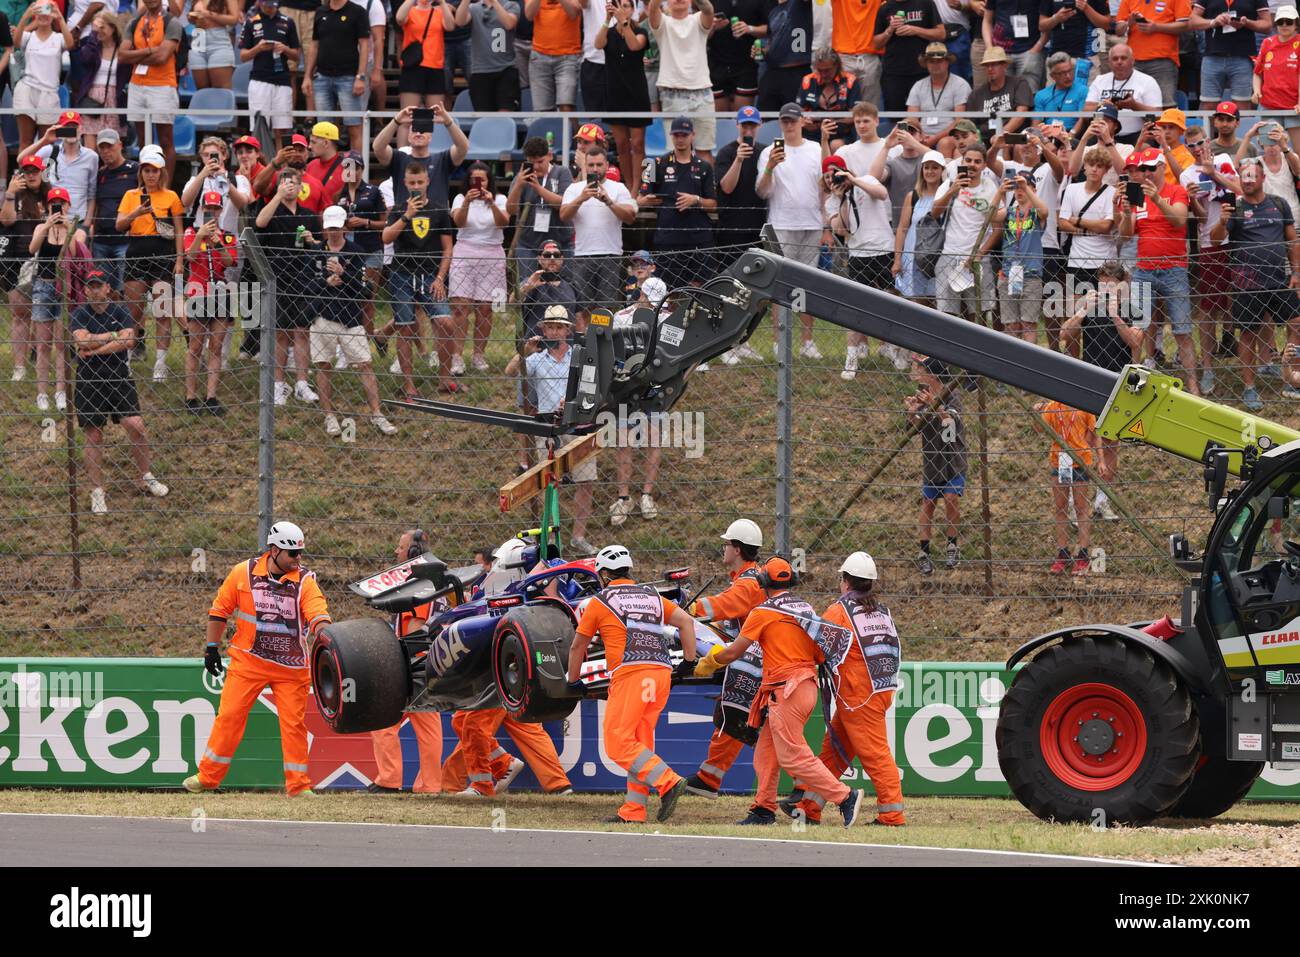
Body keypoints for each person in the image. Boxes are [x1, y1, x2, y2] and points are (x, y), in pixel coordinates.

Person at [696, 556, 864, 827]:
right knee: (766, 753)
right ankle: (763, 809)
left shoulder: (763, 611)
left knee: (791, 755)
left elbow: (735, 651)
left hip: (787, 690)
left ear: (763, 582)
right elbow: (819, 650)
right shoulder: (804, 608)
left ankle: (845, 796)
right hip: (803, 687)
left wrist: (710, 661)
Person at [185, 521, 332, 797]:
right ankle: (208, 778)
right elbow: (219, 611)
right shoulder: (243, 573)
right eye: (293, 554)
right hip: (248, 661)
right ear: (274, 550)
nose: (298, 559)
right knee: (229, 717)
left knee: (293, 725)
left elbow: (317, 613)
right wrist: (211, 648)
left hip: (291, 667)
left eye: (301, 553)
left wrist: (326, 634)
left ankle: (298, 786)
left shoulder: (305, 581)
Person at [568, 544, 696, 822]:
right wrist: (688, 662)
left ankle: (668, 781)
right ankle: (633, 811)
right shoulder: (652, 596)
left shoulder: (601, 601)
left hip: (631, 674)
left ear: (603, 575)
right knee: (639, 744)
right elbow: (686, 622)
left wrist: (573, 681)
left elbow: (578, 646)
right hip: (661, 674)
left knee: (616, 742)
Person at [788, 551, 905, 826]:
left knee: (876, 755)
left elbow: (819, 650)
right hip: (876, 692)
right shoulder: (882, 612)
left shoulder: (840, 611)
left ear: (846, 581)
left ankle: (892, 814)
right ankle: (809, 809)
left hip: (857, 697)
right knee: (834, 752)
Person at [69, 270, 168, 515]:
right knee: (94, 435)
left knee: (136, 425)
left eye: (97, 285)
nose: (93, 290)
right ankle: (97, 490)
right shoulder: (79, 313)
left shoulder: (120, 310)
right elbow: (82, 341)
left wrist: (95, 348)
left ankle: (144, 476)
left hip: (118, 375)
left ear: (107, 288)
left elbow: (129, 341)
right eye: (89, 286)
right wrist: (112, 337)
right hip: (89, 379)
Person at [682, 518, 766, 799]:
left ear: (738, 549)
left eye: (727, 544)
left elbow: (724, 605)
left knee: (756, 725)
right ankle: (708, 779)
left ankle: (809, 789)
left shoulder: (748, 583)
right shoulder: (750, 578)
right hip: (756, 661)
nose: (723, 548)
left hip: (762, 663)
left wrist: (687, 610)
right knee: (733, 715)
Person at [504, 307, 597, 553]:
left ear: (567, 329)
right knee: (549, 483)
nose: (555, 331)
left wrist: (573, 400)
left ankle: (578, 536)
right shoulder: (535, 359)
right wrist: (522, 353)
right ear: (543, 330)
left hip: (578, 423)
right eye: (550, 327)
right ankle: (553, 538)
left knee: (586, 480)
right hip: (548, 427)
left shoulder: (580, 355)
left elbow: (592, 387)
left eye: (559, 326)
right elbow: (509, 372)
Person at [1212, 158, 1300, 412]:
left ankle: (1291, 377)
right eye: (1244, 176)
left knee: (1296, 323)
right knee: (1248, 334)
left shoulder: (1279, 204)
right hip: (1246, 283)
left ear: (1262, 179)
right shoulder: (1235, 208)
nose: (1248, 180)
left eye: (1253, 176)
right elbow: (1216, 241)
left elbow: (1292, 241)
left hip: (1278, 279)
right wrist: (1221, 221)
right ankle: (1249, 388)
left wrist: (1296, 273)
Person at [309, 205, 399, 434]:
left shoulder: (356, 252)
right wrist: (326, 283)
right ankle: (329, 416)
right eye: (330, 227)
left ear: (345, 227)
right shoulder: (315, 252)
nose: (334, 231)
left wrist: (343, 273)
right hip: (323, 316)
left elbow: (365, 290)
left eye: (337, 227)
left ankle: (376, 413)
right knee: (323, 365)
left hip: (350, 317)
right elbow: (305, 286)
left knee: (365, 365)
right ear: (325, 228)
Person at [1117, 147, 1200, 395]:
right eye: (1143, 169)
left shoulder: (1176, 191)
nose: (1146, 173)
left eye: (1151, 168)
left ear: (1163, 167)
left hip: (1174, 269)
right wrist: (1127, 212)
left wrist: (1156, 198)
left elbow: (1178, 220)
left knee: (1182, 330)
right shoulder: (1138, 195)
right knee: (1139, 329)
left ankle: (1193, 385)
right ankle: (1136, 383)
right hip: (1144, 268)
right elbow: (1124, 235)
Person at [757, 102, 827, 358]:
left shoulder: (815, 149)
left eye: (792, 120)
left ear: (801, 122)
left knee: (807, 285)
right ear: (780, 123)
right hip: (782, 225)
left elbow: (823, 189)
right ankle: (780, 341)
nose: (788, 125)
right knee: (781, 284)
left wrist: (826, 223)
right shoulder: (768, 153)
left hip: (812, 224)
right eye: (784, 121)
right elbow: (763, 191)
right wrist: (770, 168)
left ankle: (807, 341)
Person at [254, 165, 325, 405]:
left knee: (302, 332)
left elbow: (319, 247)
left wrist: (311, 240)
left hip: (303, 279)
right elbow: (260, 223)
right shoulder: (272, 210)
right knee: (281, 334)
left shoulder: (308, 215)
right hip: (279, 279)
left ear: (301, 185)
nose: (290, 185)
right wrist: (276, 196)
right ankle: (278, 384)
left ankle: (302, 383)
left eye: (294, 182)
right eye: (285, 182)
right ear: (279, 185)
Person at [383, 162, 454, 396]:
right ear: (405, 183)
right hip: (401, 275)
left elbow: (447, 249)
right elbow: (386, 238)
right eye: (411, 183)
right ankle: (409, 386)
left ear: (427, 182)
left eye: (420, 182)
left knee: (445, 323)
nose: (416, 186)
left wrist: (440, 278)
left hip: (430, 276)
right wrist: (407, 216)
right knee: (405, 328)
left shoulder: (440, 211)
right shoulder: (398, 209)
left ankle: (444, 378)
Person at [115, 145, 184, 385]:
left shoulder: (171, 196)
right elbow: (119, 225)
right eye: (146, 170)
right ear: (141, 172)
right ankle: (125, 361)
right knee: (133, 312)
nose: (151, 175)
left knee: (162, 311)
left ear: (161, 172)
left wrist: (179, 259)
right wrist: (136, 212)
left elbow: (178, 230)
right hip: (137, 253)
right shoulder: (130, 196)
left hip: (162, 255)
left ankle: (160, 363)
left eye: (155, 170)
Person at [825, 153, 892, 379]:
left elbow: (882, 194)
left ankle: (896, 349)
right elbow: (842, 230)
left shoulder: (867, 181)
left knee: (892, 302)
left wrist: (853, 181)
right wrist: (842, 198)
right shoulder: (831, 201)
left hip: (884, 249)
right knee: (855, 306)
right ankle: (851, 358)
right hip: (858, 254)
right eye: (826, 177)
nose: (831, 179)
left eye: (835, 174)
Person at [29, 186, 90, 415]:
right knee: (43, 344)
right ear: (47, 206)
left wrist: (67, 227)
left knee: (62, 344)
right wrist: (46, 226)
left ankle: (61, 390)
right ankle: (42, 392)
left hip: (66, 290)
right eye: (53, 204)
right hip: (43, 286)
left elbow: (75, 252)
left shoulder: (77, 231)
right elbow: (32, 248)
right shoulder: (40, 227)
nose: (58, 207)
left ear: (68, 206)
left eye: (61, 203)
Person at [559, 147, 637, 324]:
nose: (595, 169)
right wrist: (581, 198)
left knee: (606, 309)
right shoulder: (574, 189)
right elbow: (563, 216)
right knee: (583, 308)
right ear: (585, 166)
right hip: (582, 254)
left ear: (607, 165)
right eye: (591, 165)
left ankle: (603, 347)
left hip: (610, 253)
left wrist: (608, 201)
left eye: (599, 164)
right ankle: (587, 348)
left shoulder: (618, 188)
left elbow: (630, 217)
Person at [638, 117, 717, 292]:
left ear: (692, 136)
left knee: (701, 290)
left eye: (684, 135)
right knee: (669, 292)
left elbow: (713, 204)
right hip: (668, 239)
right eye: (677, 135)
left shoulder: (704, 166)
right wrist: (648, 199)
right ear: (671, 136)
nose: (680, 139)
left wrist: (695, 200)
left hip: (698, 239)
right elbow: (640, 199)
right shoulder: (654, 164)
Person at [905, 354, 966, 574]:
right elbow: (913, 429)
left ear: (931, 372)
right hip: (932, 461)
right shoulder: (921, 394)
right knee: (928, 503)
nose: (914, 370)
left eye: (918, 367)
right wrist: (912, 414)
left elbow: (951, 423)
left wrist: (934, 406)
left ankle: (952, 546)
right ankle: (924, 552)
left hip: (953, 460)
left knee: (951, 499)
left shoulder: (951, 394)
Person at [449, 162, 509, 373]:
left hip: (492, 253)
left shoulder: (500, 199)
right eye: (475, 179)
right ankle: (456, 356)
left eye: (483, 179)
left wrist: (491, 203)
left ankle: (478, 354)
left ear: (489, 181)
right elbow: (459, 223)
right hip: (465, 252)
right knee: (460, 308)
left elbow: (503, 223)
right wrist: (467, 201)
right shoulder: (459, 198)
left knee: (485, 309)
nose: (479, 183)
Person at [182, 192, 237, 415]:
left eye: (215, 209)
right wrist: (200, 237)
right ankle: (190, 397)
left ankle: (211, 396)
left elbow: (230, 261)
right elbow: (190, 257)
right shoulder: (191, 232)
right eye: (207, 209)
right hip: (198, 291)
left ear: (221, 210)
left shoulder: (228, 236)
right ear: (201, 210)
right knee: (195, 347)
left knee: (216, 346)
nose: (211, 212)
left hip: (220, 292)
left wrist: (218, 244)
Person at [931, 143, 1000, 321]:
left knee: (979, 315)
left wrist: (979, 254)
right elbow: (934, 213)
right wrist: (952, 191)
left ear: (984, 165)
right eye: (968, 160)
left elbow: (998, 228)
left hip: (978, 259)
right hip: (949, 254)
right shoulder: (949, 184)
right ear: (962, 161)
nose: (972, 164)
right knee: (946, 315)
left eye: (977, 161)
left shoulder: (990, 187)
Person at [982, 166, 1048, 342]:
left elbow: (1045, 212)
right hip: (1008, 274)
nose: (1019, 191)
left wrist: (1025, 186)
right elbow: (990, 216)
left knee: (1029, 323)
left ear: (1033, 189)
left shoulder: (1035, 213)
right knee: (1011, 325)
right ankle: (1013, 364)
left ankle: (1028, 365)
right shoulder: (1010, 212)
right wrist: (1000, 192)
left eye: (1024, 187)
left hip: (1031, 275)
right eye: (1017, 187)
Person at [120, 0, 183, 180]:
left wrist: (137, 55)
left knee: (165, 140)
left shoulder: (172, 22)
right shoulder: (134, 22)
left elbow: (163, 56)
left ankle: (166, 188)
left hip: (162, 85)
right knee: (142, 140)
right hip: (137, 84)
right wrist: (150, 50)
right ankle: (145, 184)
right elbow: (122, 56)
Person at [1035, 399, 1100, 574]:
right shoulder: (1053, 406)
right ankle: (1063, 553)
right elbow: (1039, 428)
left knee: (1081, 508)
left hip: (1080, 461)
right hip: (1059, 462)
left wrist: (1101, 459)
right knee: (1060, 508)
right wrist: (1036, 415)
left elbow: (1095, 434)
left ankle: (1083, 554)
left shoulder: (1084, 405)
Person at [3, 157, 50, 385]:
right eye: (27, 171)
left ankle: (44, 361)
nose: (31, 175)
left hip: (46, 257)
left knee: (46, 316)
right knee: (20, 314)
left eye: (35, 171)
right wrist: (10, 194)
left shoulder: (51, 194)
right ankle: (20, 367)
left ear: (42, 172)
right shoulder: (15, 194)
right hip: (18, 258)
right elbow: (6, 220)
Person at [650, 0, 717, 160]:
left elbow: (708, 9)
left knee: (704, 151)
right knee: (676, 153)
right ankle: (676, 186)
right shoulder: (663, 23)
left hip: (703, 93)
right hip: (672, 94)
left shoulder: (698, 18)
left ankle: (707, 186)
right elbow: (652, 8)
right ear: (667, 4)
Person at [597, 0, 651, 193]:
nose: (622, 9)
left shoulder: (640, 31)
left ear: (633, 9)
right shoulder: (609, 33)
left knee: (637, 144)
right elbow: (598, 44)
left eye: (626, 5)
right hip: (614, 94)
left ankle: (639, 187)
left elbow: (634, 46)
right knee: (620, 144)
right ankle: (628, 186)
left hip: (636, 94)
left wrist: (624, 23)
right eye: (618, 5)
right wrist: (607, 19)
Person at [1057, 144, 1118, 312]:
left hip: (1105, 261)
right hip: (1078, 260)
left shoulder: (1111, 192)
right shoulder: (1072, 189)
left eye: (1099, 166)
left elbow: (1106, 226)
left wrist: (1077, 220)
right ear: (1085, 166)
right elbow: (1062, 222)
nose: (1094, 169)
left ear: (1106, 170)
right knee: (1077, 312)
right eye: (1091, 164)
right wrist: (1087, 229)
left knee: (1105, 313)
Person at [509, 136, 575, 291]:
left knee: (565, 286)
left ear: (550, 156)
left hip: (561, 243)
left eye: (540, 161)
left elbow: (563, 203)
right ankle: (531, 315)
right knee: (528, 287)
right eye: (532, 162)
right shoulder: (522, 177)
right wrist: (519, 185)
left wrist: (538, 188)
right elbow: (511, 209)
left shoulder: (562, 172)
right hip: (529, 244)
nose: (536, 167)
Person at [373, 104, 469, 210]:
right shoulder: (399, 159)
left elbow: (463, 148)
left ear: (430, 137)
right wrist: (396, 120)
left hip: (436, 222)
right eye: (414, 130)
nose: (418, 133)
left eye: (423, 130)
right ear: (408, 137)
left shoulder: (442, 160)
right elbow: (378, 148)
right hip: (405, 221)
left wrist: (448, 122)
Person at [333, 150, 386, 338]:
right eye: (346, 166)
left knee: (366, 297)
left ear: (362, 169)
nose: (351, 171)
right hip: (347, 252)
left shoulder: (373, 191)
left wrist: (366, 222)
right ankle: (347, 341)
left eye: (355, 167)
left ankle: (368, 342)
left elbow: (386, 223)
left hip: (370, 251)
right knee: (346, 295)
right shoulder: (339, 195)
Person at [304, 0, 370, 148]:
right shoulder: (321, 12)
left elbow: (365, 45)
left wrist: (360, 76)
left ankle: (356, 169)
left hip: (348, 77)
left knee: (354, 128)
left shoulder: (357, 11)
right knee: (323, 131)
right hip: (322, 77)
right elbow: (314, 45)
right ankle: (327, 170)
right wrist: (307, 76)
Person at [12, 4, 76, 153]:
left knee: (46, 143)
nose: (44, 14)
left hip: (49, 94)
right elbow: (15, 42)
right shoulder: (28, 37)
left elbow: (70, 44)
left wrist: (59, 17)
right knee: (25, 141)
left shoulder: (58, 38)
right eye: (39, 11)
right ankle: (23, 176)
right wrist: (26, 15)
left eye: (47, 11)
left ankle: (45, 176)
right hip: (26, 90)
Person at [240, 0, 301, 150]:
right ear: (260, 4)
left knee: (283, 128)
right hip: (260, 80)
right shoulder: (251, 23)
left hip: (282, 81)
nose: (270, 9)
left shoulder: (288, 22)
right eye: (267, 5)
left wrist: (284, 49)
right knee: (259, 127)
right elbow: (243, 56)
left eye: (273, 6)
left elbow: (297, 55)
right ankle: (260, 166)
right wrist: (258, 48)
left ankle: (284, 165)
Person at [20, 111, 100, 225]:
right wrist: (44, 139)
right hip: (51, 219)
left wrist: (86, 224)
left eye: (74, 127)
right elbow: (21, 160)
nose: (71, 131)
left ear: (81, 129)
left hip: (78, 220)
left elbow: (92, 193)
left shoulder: (91, 157)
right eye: (67, 128)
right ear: (60, 130)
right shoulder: (49, 150)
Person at [1190, 0, 1270, 113]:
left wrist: (1247, 23)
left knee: (1242, 104)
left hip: (1242, 57)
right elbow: (1192, 21)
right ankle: (1208, 132)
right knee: (1208, 104)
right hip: (1212, 56)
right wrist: (1214, 22)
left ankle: (1243, 131)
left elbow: (1267, 24)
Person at [893, 149, 945, 312]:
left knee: (939, 304)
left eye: (935, 167)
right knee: (917, 304)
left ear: (942, 170)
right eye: (927, 167)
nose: (930, 171)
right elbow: (902, 229)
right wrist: (897, 259)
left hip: (938, 256)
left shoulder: (947, 196)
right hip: (914, 257)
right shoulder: (913, 196)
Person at [1114, 0, 1190, 108]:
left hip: (1163, 61)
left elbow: (1185, 25)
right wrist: (1129, 23)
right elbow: (1118, 31)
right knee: (1129, 105)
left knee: (1166, 106)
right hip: (1133, 63)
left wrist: (1157, 27)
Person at [1082, 43, 1164, 143]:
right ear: (1109, 62)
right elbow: (1086, 111)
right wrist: (1103, 105)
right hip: (1102, 134)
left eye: (1123, 58)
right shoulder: (1100, 80)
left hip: (1137, 135)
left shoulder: (1147, 81)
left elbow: (1158, 116)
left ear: (1132, 61)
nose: (1119, 62)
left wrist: (1134, 106)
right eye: (1115, 59)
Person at [872, 0, 944, 112]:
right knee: (895, 117)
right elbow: (876, 44)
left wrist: (915, 30)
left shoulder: (926, 3)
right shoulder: (885, 8)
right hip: (893, 73)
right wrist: (889, 30)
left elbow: (941, 34)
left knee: (922, 115)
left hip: (922, 70)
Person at [72, 13, 129, 149]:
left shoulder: (123, 47)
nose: (99, 31)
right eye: (96, 27)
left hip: (114, 98)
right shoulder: (91, 44)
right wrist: (93, 34)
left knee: (111, 147)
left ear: (113, 28)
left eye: (102, 27)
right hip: (92, 98)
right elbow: (85, 59)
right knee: (90, 147)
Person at [181, 137, 252, 238]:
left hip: (229, 240)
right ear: (201, 158)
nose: (210, 158)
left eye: (214, 154)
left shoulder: (239, 179)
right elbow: (185, 202)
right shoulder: (195, 180)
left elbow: (242, 204)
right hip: (201, 241)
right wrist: (202, 175)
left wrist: (225, 179)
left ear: (224, 156)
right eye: (206, 155)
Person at [907, 42, 971, 151]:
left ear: (947, 62)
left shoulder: (960, 84)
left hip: (951, 135)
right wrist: (920, 135)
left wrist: (935, 138)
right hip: (923, 135)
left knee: (944, 143)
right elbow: (911, 118)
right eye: (931, 61)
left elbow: (959, 121)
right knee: (905, 139)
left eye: (939, 61)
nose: (935, 64)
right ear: (926, 64)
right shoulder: (918, 85)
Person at [396, 0, 454, 120]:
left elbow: (450, 26)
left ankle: (434, 139)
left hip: (435, 66)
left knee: (436, 117)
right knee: (407, 117)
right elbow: (400, 18)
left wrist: (442, 3)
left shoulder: (439, 12)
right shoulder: (410, 11)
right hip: (413, 67)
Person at [458, 0, 521, 111]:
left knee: (505, 114)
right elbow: (459, 21)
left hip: (506, 68)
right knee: (484, 116)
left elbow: (509, 24)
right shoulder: (474, 8)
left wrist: (495, 3)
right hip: (480, 70)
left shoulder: (511, 5)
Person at [1252, 9, 1300, 153]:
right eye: (1280, 22)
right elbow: (1257, 72)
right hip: (1269, 105)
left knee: (1298, 151)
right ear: (1275, 24)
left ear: (1296, 24)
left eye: (1289, 22)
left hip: (1293, 107)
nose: (1284, 25)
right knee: (1270, 150)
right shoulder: (1267, 42)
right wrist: (1257, 91)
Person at [797, 47, 860, 151]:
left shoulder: (850, 81)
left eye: (827, 70)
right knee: (810, 148)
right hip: (813, 133)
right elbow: (799, 112)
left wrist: (832, 123)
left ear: (837, 65)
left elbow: (855, 115)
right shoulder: (808, 81)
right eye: (820, 70)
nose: (824, 74)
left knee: (836, 145)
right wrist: (804, 122)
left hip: (841, 132)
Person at [870, 120, 928, 229]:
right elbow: (873, 177)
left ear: (921, 136)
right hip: (901, 227)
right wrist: (886, 146)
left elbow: (941, 162)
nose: (907, 136)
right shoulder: (893, 163)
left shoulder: (928, 160)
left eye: (912, 133)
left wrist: (913, 143)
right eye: (904, 133)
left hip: (927, 226)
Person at [525, 0, 581, 111]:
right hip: (539, 56)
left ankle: (573, 129)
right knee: (543, 111)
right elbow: (529, 15)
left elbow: (574, 13)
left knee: (566, 105)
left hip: (568, 56)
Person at [709, 0, 763, 113]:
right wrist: (712, 27)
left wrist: (749, 29)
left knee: (742, 119)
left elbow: (770, 28)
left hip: (745, 64)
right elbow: (699, 31)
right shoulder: (709, 2)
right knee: (719, 122)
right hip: (716, 64)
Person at [758, 0, 813, 111]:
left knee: (795, 117)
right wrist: (762, 51)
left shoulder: (801, 4)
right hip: (772, 71)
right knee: (766, 118)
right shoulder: (773, 10)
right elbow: (772, 40)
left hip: (797, 70)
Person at [967, 46, 1033, 137]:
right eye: (987, 65)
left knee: (1003, 145)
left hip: (1011, 136)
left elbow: (1021, 113)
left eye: (994, 64)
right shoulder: (976, 94)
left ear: (1004, 65)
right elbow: (969, 125)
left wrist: (1000, 135)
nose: (990, 68)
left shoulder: (1019, 83)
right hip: (983, 138)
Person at [188, 0, 241, 89]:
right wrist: (192, 18)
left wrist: (207, 14)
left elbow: (234, 19)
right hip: (198, 37)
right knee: (201, 90)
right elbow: (192, 19)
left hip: (218, 38)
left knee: (221, 90)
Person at [1033, 51, 1088, 131]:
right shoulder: (1041, 95)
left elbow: (1082, 120)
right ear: (1052, 76)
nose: (1068, 76)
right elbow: (1036, 124)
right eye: (1062, 73)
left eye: (1070, 71)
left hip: (1071, 135)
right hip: (1048, 135)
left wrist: (1069, 137)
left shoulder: (1082, 90)